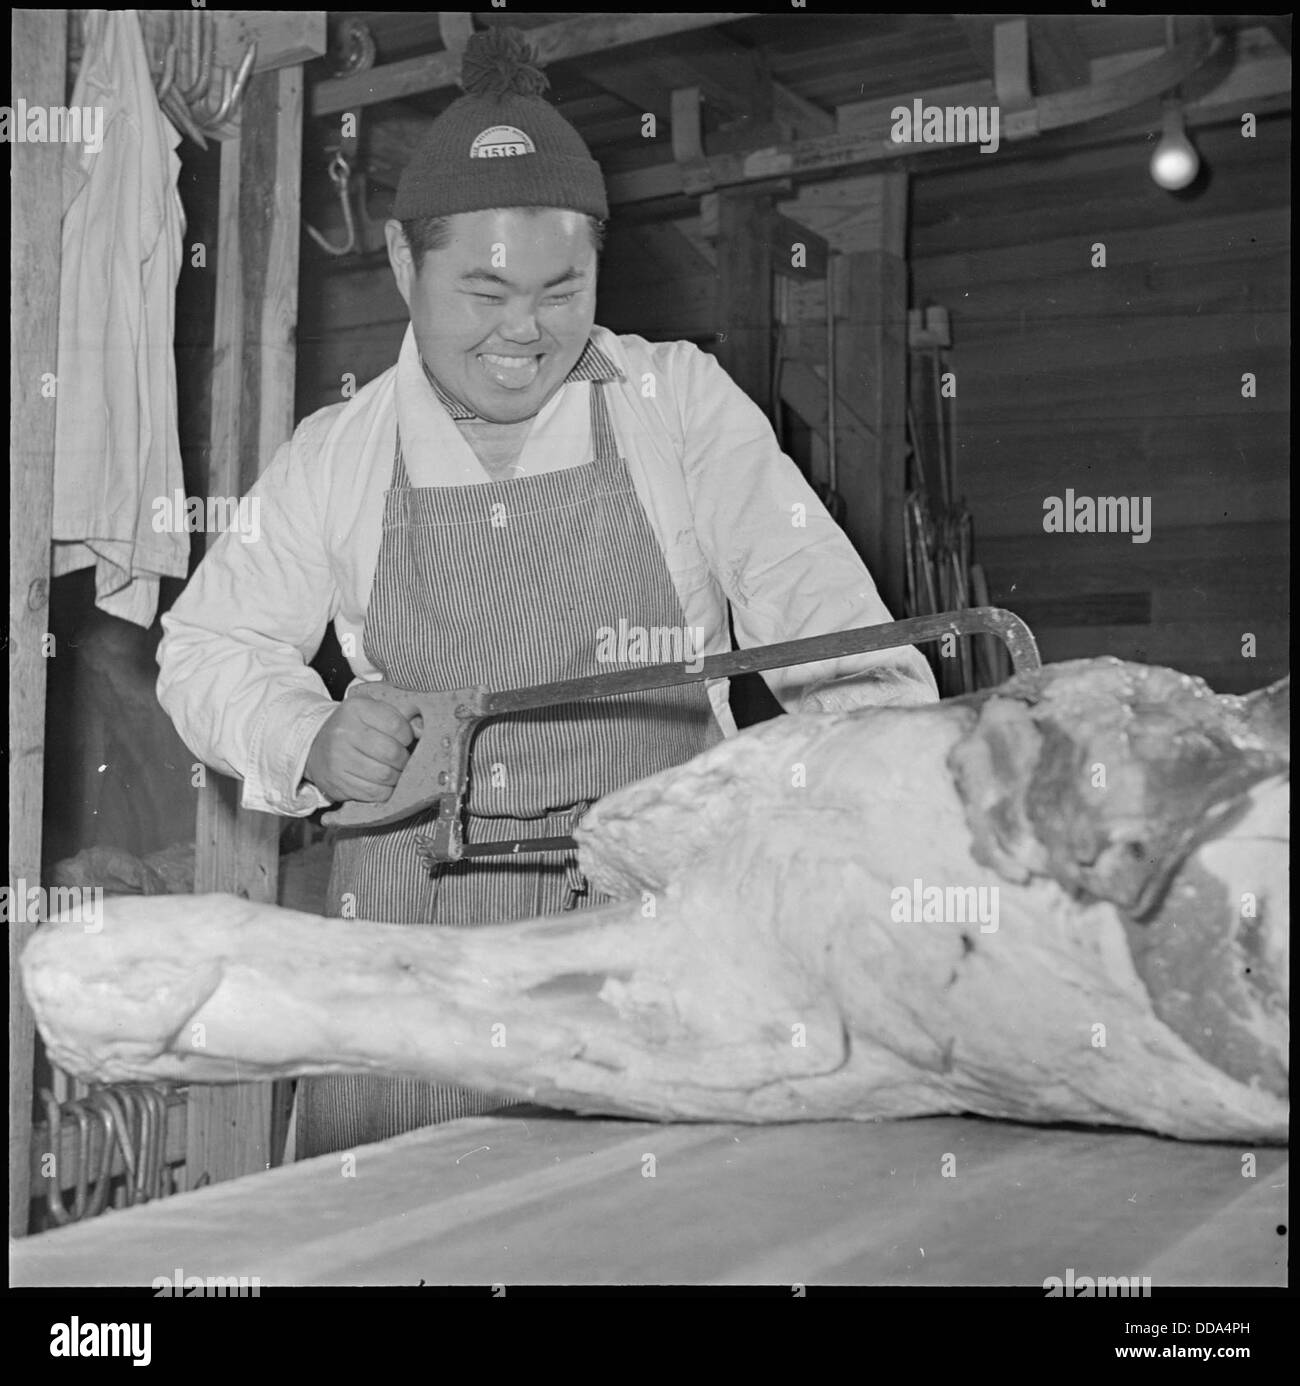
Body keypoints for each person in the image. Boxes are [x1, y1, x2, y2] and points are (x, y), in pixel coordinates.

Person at [156, 27, 938, 1158]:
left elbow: (828, 628)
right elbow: (206, 647)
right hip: (417, 950)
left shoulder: (676, 406)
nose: (524, 330)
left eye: (561, 288)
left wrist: (900, 806)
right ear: (397, 261)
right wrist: (311, 733)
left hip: (651, 925)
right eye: (482, 291)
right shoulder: (339, 451)